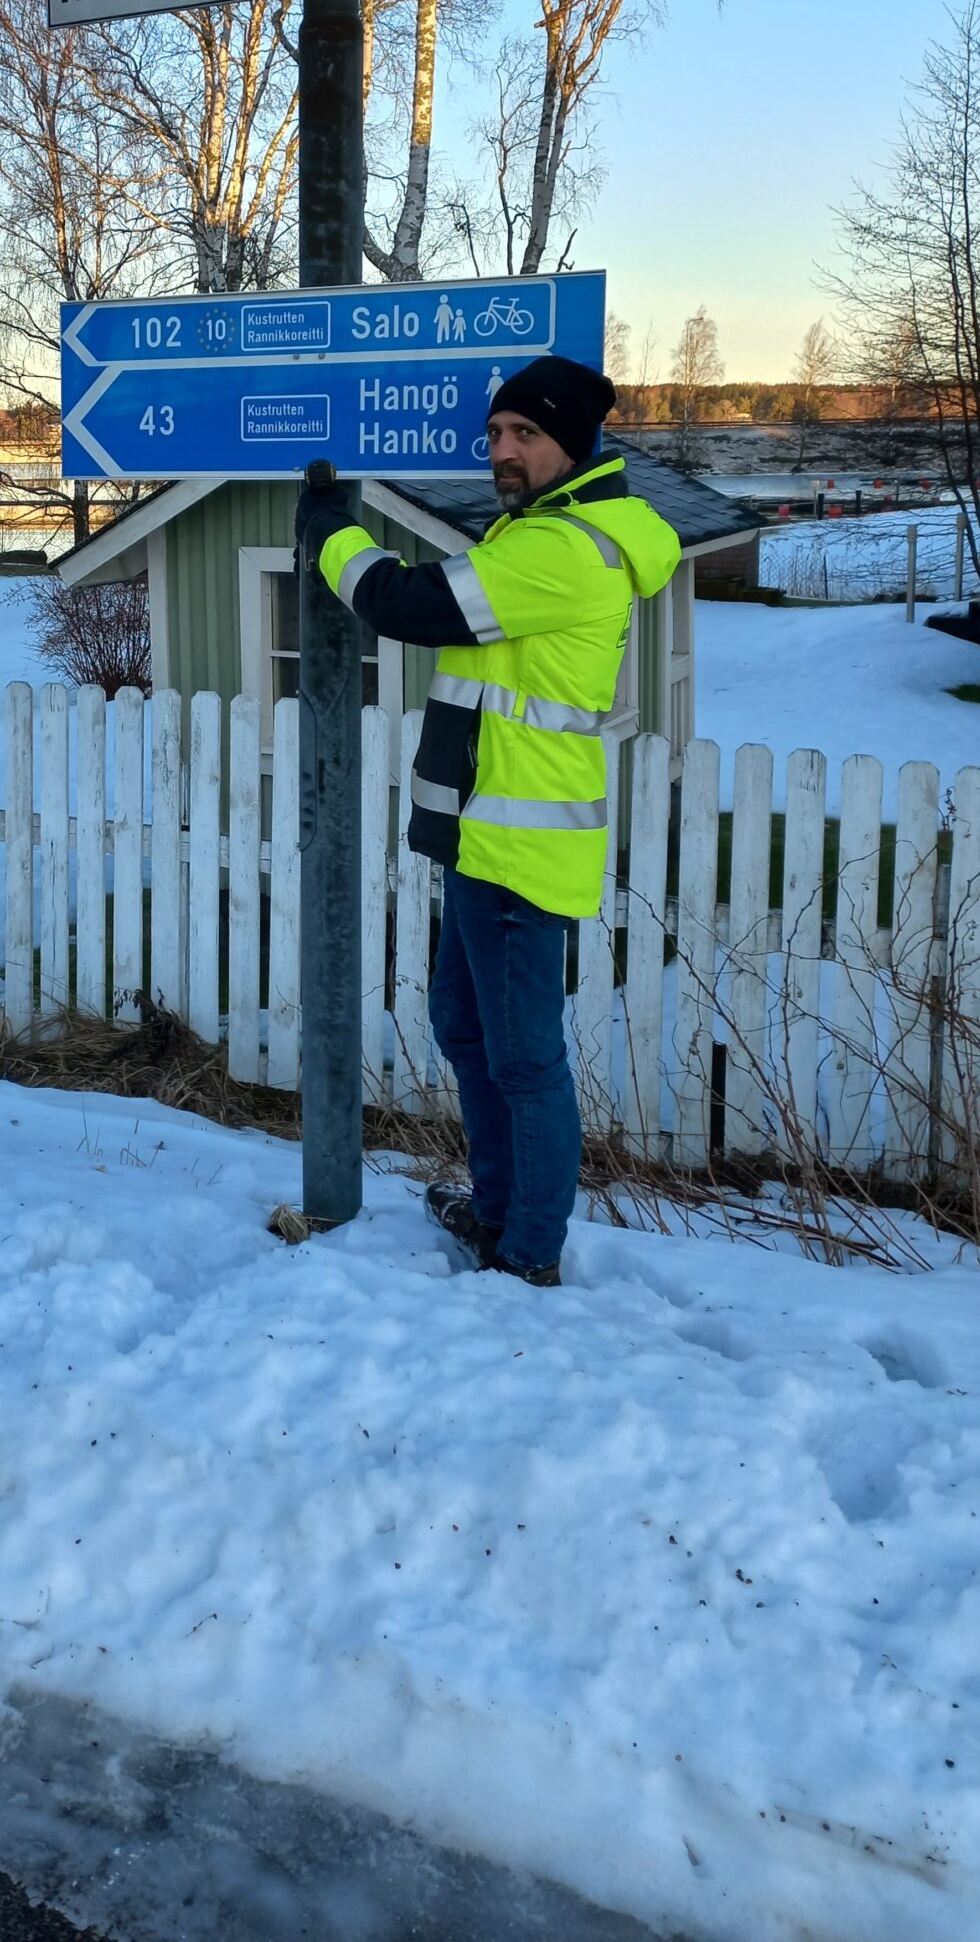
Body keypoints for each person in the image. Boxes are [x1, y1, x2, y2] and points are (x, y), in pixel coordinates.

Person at [295, 356, 681, 1286]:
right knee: (467, 1033)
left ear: (573, 447)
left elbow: (408, 605)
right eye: (497, 432)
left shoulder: (561, 550)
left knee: (524, 1061)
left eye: (527, 435)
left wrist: (330, 537)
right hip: (487, 836)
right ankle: (500, 1208)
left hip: (520, 849)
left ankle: (531, 1250)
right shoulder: (539, 531)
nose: (502, 451)